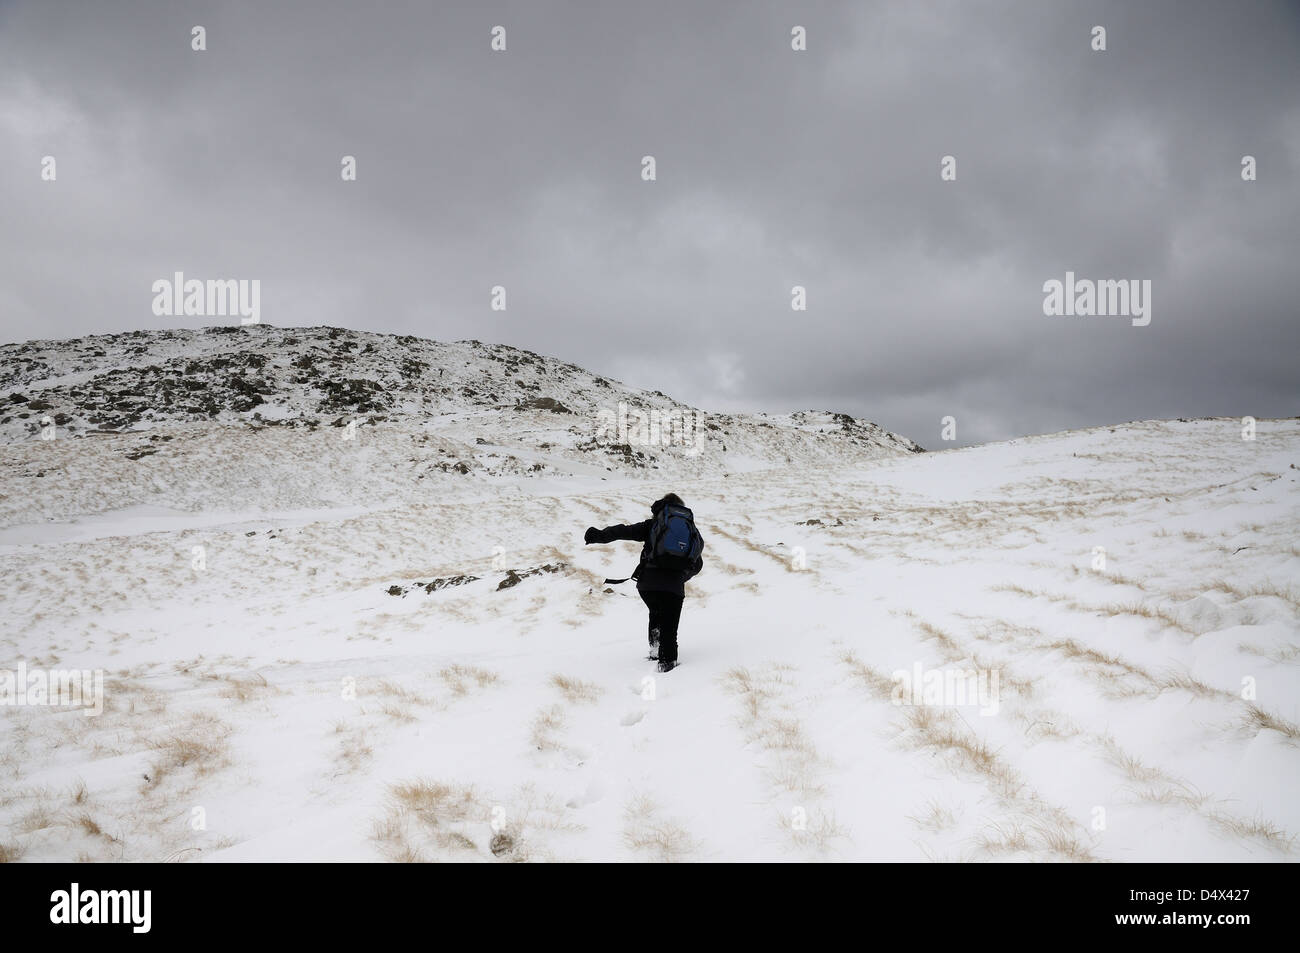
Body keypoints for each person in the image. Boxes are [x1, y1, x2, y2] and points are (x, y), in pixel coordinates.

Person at [583, 493, 703, 672]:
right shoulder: (690, 530)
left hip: (648, 585)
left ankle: (655, 650)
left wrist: (597, 536)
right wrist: (679, 577)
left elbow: (623, 531)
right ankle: (667, 665)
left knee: (655, 613)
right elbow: (697, 563)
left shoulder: (652, 525)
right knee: (669, 627)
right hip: (673, 587)